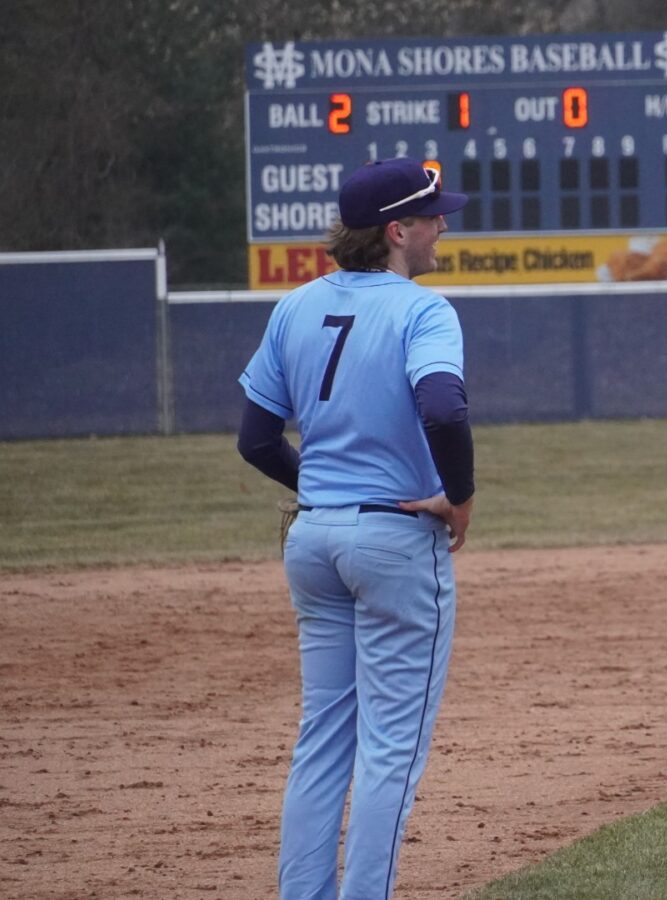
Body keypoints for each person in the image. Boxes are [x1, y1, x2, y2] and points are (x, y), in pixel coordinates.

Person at [236, 157, 476, 899]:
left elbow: (255, 438)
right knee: (390, 750)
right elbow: (442, 407)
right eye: (433, 216)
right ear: (397, 231)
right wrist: (459, 496)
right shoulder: (422, 309)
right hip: (395, 542)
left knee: (322, 742)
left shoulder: (294, 307)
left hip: (314, 542)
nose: (443, 226)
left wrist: (326, 489)